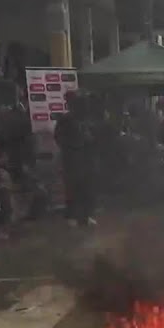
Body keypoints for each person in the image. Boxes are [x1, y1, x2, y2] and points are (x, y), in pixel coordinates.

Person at [54, 91, 97, 227]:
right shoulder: (65, 119)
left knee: (86, 188)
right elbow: (58, 137)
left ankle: (86, 215)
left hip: (85, 159)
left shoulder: (85, 119)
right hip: (71, 160)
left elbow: (91, 137)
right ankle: (71, 216)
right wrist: (70, 147)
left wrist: (89, 140)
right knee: (72, 189)